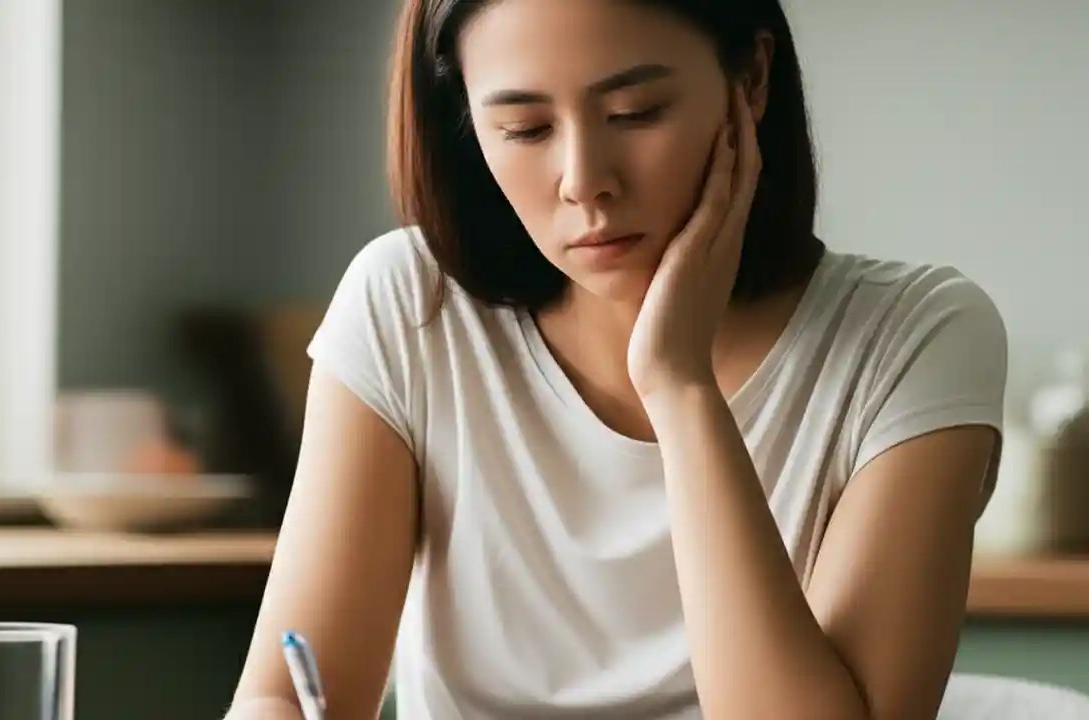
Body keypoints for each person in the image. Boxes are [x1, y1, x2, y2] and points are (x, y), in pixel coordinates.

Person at [228, 0, 1007, 717]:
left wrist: (680, 387)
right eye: (526, 129)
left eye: (636, 112)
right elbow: (281, 696)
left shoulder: (916, 337)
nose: (584, 182)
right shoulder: (412, 308)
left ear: (753, 77)